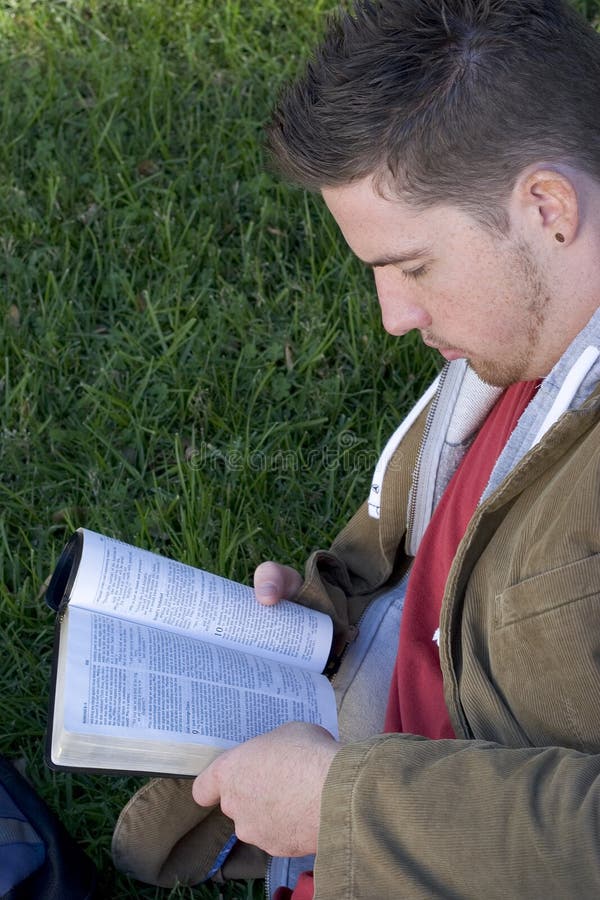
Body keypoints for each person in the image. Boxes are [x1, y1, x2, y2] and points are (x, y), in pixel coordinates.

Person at [112, 1, 600, 897]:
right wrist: (309, 628)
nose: (392, 318)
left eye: (414, 267)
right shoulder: (524, 339)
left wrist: (346, 802)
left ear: (548, 208)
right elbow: (421, 559)